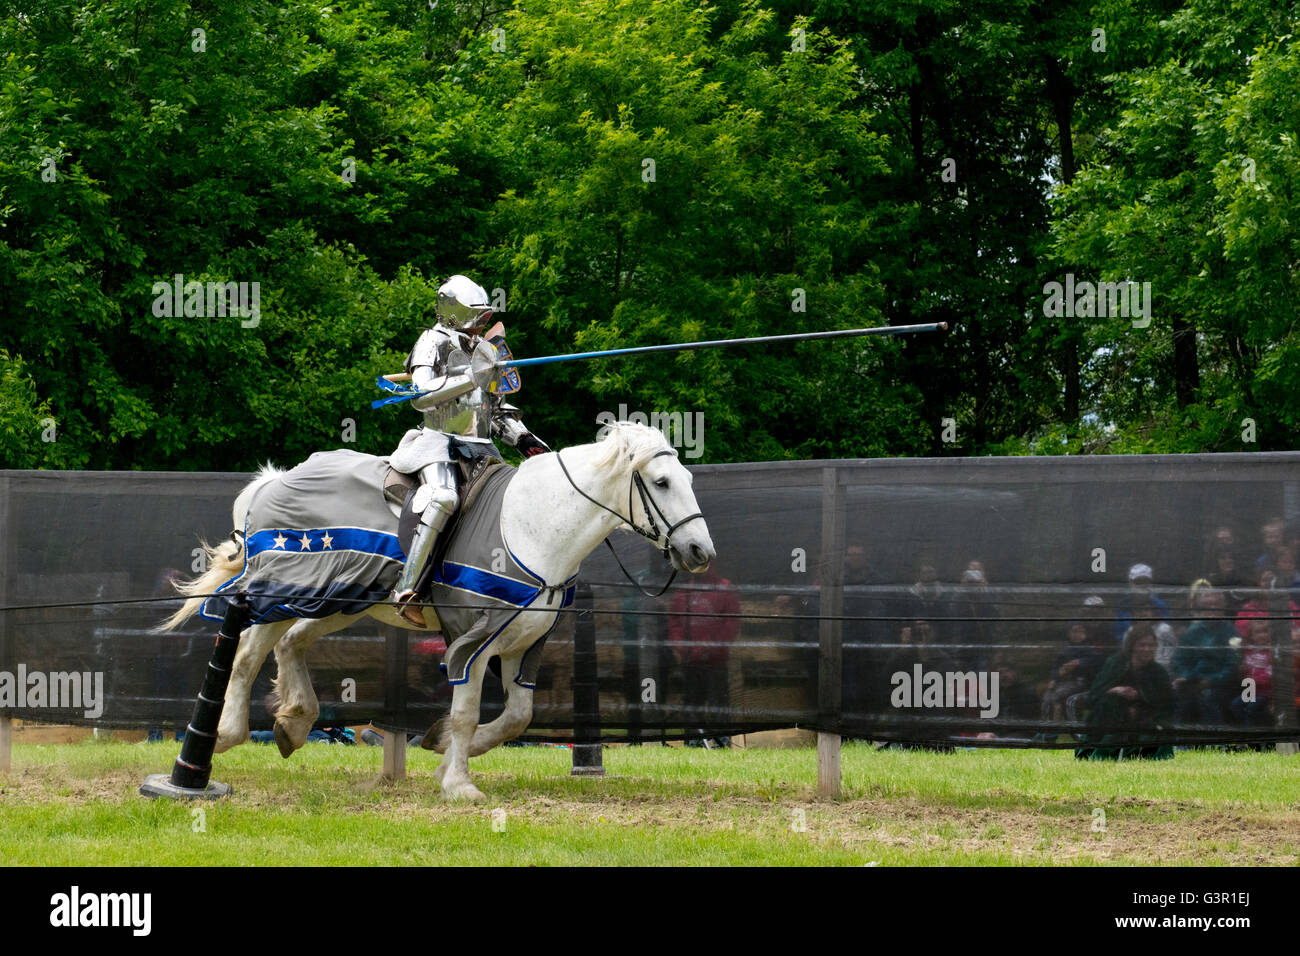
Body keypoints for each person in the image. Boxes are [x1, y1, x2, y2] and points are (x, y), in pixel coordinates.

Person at [388, 275, 550, 627]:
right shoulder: (431, 341)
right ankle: (408, 588)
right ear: (451, 310)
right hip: (438, 442)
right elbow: (420, 396)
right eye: (474, 315)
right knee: (443, 497)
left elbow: (496, 410)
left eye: (483, 316)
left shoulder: (485, 350)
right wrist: (471, 377)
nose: (481, 323)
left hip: (482, 447)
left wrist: (525, 440)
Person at [1076, 622, 1174, 760]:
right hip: (1111, 714)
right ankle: (1103, 751)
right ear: (1132, 646)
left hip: (1146, 717)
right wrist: (1115, 690)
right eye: (1142, 645)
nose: (1147, 649)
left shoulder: (1158, 672)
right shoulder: (1115, 663)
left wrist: (1138, 700)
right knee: (1109, 703)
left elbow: (1165, 703)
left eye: (1150, 645)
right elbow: (1095, 694)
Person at [668, 566, 741, 747]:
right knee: (692, 702)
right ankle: (693, 741)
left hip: (716, 661)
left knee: (719, 701)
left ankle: (721, 742)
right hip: (690, 661)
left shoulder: (724, 587)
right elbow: (674, 621)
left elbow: (731, 624)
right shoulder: (684, 591)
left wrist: (709, 647)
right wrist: (683, 647)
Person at [1170, 581, 1238, 726]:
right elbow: (1179, 661)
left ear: (1223, 607)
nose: (1212, 608)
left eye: (1216, 604)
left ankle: (1215, 739)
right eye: (1208, 605)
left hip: (1220, 685)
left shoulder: (1232, 632)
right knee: (1178, 695)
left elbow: (1233, 665)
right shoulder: (1191, 632)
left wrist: (1209, 682)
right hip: (1192, 681)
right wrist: (1185, 677)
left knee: (1206, 696)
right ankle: (1179, 738)